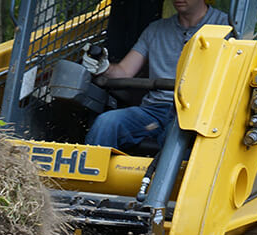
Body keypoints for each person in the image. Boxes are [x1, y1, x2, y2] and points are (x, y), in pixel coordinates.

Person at [85, 0, 230, 150]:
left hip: (197, 114)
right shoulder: (155, 29)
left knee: (175, 136)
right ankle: (89, 172)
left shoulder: (229, 28)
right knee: (106, 123)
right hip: (153, 111)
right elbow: (124, 71)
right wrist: (104, 67)